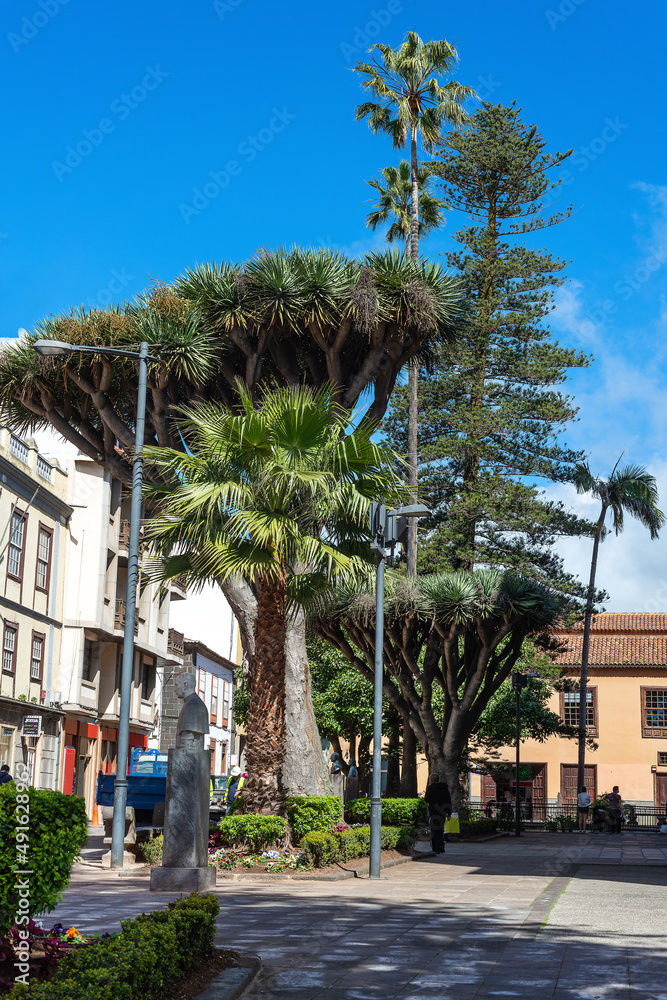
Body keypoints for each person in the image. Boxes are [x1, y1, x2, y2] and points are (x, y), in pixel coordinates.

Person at [424, 773, 451, 855]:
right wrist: (449, 813)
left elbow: (427, 799)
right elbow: (448, 800)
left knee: (434, 830)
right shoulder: (444, 788)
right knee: (440, 830)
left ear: (431, 780)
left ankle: (435, 848)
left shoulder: (430, 788)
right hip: (443, 812)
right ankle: (441, 847)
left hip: (434, 811)